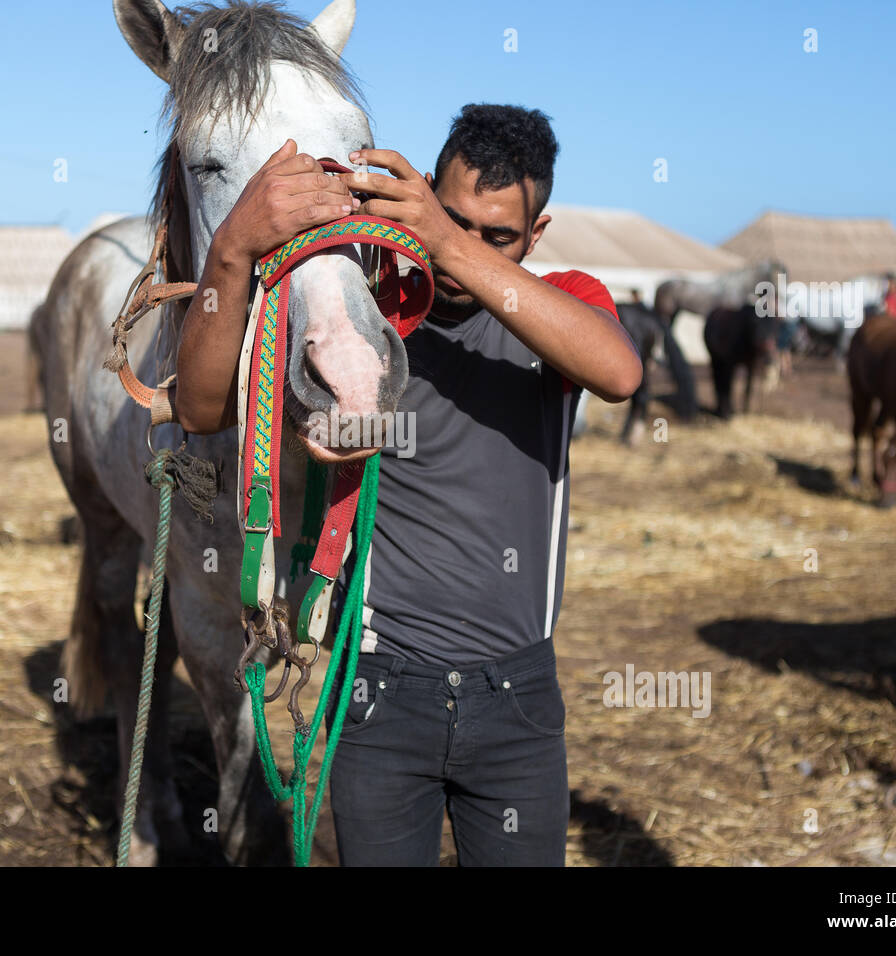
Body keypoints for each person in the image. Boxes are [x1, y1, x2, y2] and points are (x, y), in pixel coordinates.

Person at [175, 104, 641, 866]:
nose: (472, 251)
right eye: (455, 218)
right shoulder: (367, 318)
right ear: (421, 190)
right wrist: (230, 252)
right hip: (379, 695)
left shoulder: (564, 302)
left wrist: (450, 245)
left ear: (538, 236)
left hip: (516, 702)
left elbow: (620, 372)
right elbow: (200, 408)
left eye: (501, 238)